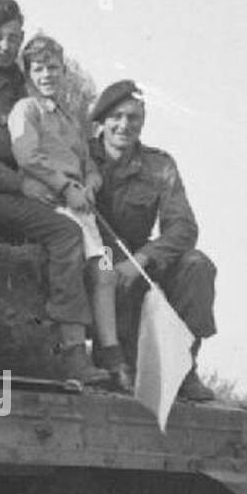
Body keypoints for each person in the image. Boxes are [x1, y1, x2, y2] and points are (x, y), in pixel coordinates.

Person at [0, 0, 107, 388]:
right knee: (65, 235)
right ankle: (71, 351)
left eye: (14, 38)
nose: (6, 45)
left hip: (38, 191)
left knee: (91, 251)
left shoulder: (27, 86)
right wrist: (20, 184)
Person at [9, 35, 129, 392]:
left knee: (105, 271)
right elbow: (27, 156)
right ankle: (74, 351)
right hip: (53, 201)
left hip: (82, 205)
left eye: (53, 68)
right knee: (72, 260)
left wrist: (90, 184)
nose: (47, 75)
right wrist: (65, 186)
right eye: (39, 68)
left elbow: (88, 162)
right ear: (29, 73)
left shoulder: (68, 118)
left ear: (63, 71)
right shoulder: (25, 110)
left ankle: (110, 352)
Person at [89, 80, 218, 403]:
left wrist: (140, 261)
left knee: (196, 265)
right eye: (116, 117)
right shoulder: (81, 156)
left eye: (133, 117)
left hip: (139, 260)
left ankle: (183, 370)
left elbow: (183, 227)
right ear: (102, 122)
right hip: (93, 257)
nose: (124, 125)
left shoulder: (159, 166)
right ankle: (105, 360)